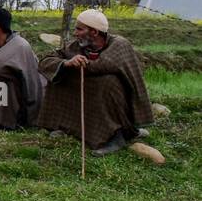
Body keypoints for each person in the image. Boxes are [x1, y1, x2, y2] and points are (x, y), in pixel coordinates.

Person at [37, 8, 153, 155]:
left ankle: (115, 136)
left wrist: (76, 63)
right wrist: (66, 63)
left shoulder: (119, 44)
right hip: (94, 89)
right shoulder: (76, 46)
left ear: (94, 32)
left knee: (107, 83)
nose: (75, 33)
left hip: (118, 97)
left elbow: (103, 65)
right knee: (60, 74)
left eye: (79, 29)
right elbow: (46, 61)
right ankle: (67, 127)